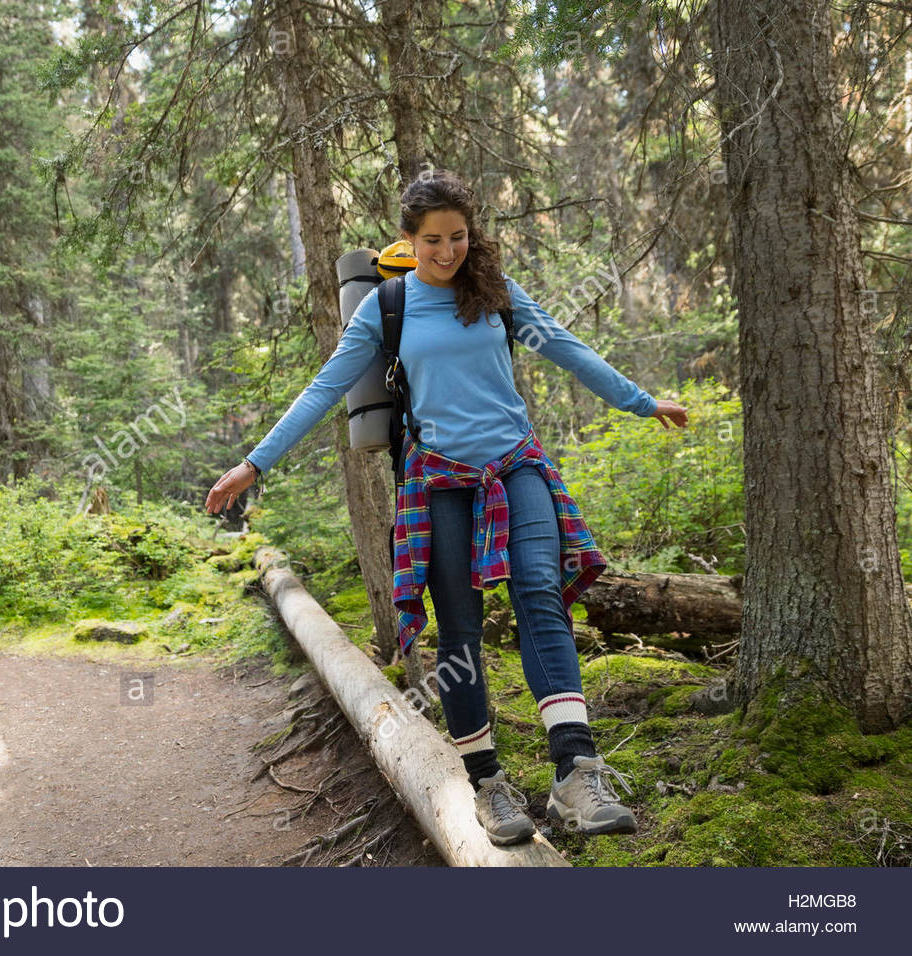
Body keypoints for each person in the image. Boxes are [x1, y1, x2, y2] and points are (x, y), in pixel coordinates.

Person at [204, 169, 689, 845]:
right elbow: (322, 391)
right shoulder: (387, 308)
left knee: (540, 597)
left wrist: (643, 401)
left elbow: (568, 350)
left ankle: (575, 774)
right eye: (433, 239)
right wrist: (253, 463)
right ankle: (487, 786)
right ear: (408, 240)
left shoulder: (495, 293)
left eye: (459, 236)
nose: (448, 250)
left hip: (515, 465)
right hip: (438, 483)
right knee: (459, 632)